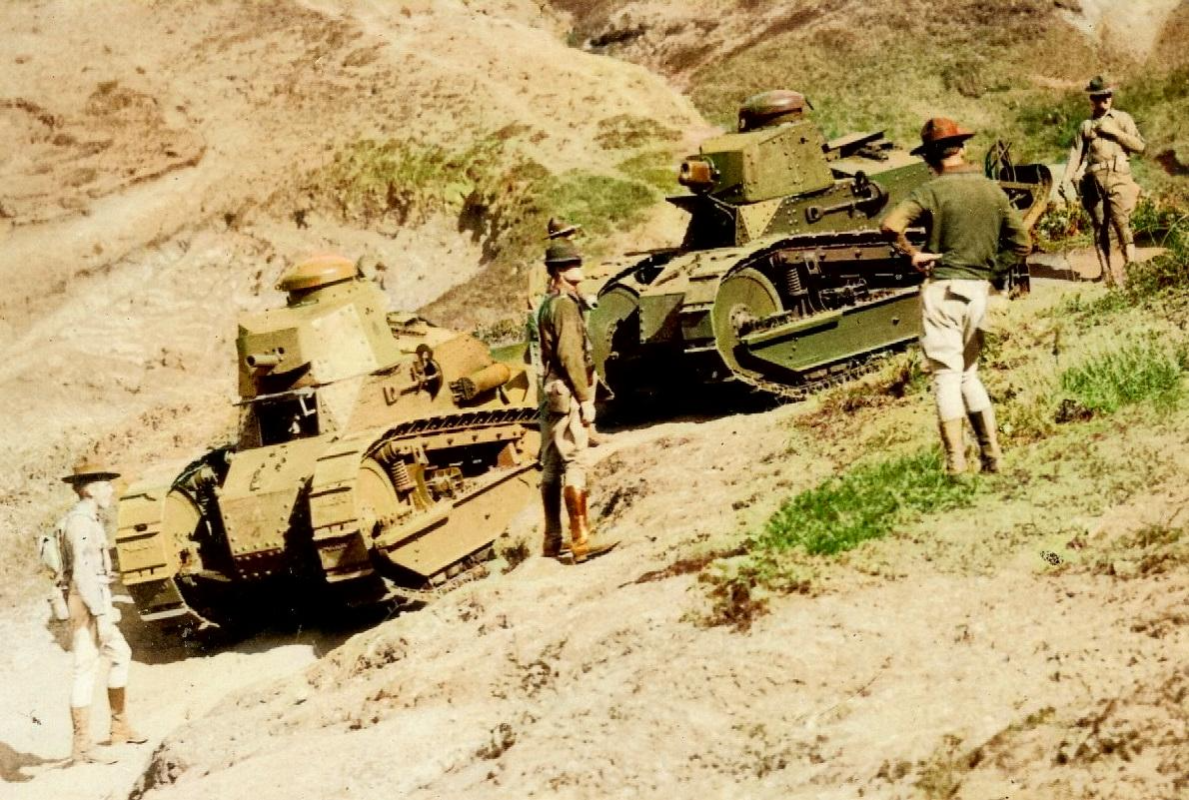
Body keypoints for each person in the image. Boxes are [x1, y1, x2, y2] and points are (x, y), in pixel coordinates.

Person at [881, 117, 1032, 475]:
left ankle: (957, 465)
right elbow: (1022, 244)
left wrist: (913, 253)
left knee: (946, 378)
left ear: (930, 157)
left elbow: (890, 225)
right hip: (977, 292)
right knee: (969, 375)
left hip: (943, 291)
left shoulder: (930, 191)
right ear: (961, 148)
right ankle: (992, 458)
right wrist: (989, 271)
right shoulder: (992, 190)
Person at [59, 458, 147, 764]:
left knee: (121, 654)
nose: (111, 490)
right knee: (85, 667)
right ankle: (82, 747)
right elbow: (83, 572)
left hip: (94, 596)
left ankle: (119, 727)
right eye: (106, 485)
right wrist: (100, 614)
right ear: (90, 490)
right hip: (87, 600)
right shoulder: (81, 523)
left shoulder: (88, 520)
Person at [536, 240, 617, 563]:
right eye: (572, 264)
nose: (579, 269)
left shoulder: (550, 303)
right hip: (568, 388)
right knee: (575, 461)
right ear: (559, 271)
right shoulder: (565, 307)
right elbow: (570, 354)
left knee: (552, 464)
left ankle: (552, 539)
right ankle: (581, 540)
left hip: (551, 388)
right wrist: (585, 399)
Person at [1059, 75, 1145, 287]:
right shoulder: (1086, 126)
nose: (1105, 99)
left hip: (1118, 178)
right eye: (1100, 96)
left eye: (1108, 95)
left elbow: (1140, 146)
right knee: (1099, 227)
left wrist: (1114, 132)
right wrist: (1065, 179)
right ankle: (1105, 273)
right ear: (1092, 99)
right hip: (1094, 183)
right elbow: (1075, 155)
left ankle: (1132, 270)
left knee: (1122, 223)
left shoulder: (1122, 119)